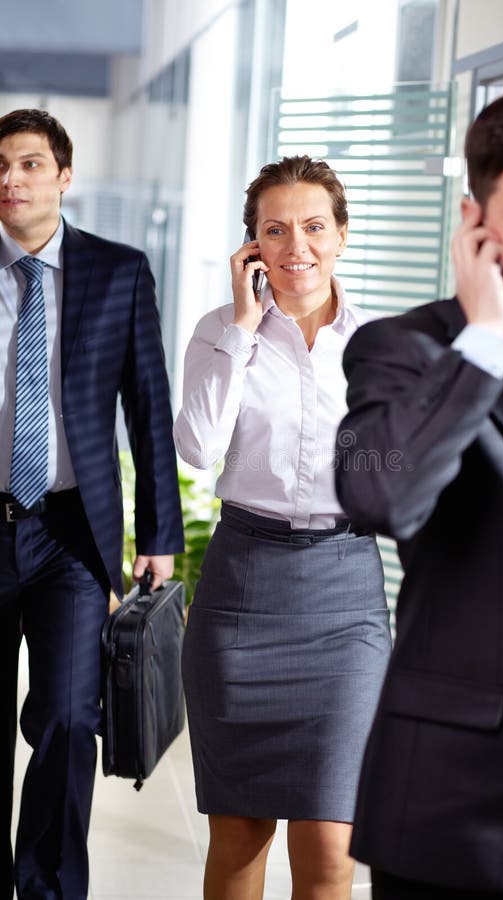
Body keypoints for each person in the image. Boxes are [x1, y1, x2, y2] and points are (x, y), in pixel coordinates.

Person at [335, 87, 503, 899]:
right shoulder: (406, 350)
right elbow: (380, 497)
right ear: (476, 221)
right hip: (461, 811)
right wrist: (484, 343)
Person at [173, 154, 391, 900]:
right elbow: (198, 450)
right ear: (252, 247)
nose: (296, 245)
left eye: (312, 226)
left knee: (332, 844)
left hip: (345, 599)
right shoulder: (219, 332)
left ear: (341, 236)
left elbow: (397, 468)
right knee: (239, 836)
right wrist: (240, 329)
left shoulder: (381, 345)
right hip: (243, 590)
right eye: (275, 229)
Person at [0, 109, 184, 899]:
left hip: (73, 533)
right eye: (1, 166)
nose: (11, 180)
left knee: (73, 719)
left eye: (30, 164)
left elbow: (148, 406)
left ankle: (46, 888)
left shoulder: (119, 271)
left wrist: (159, 533)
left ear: (64, 176)